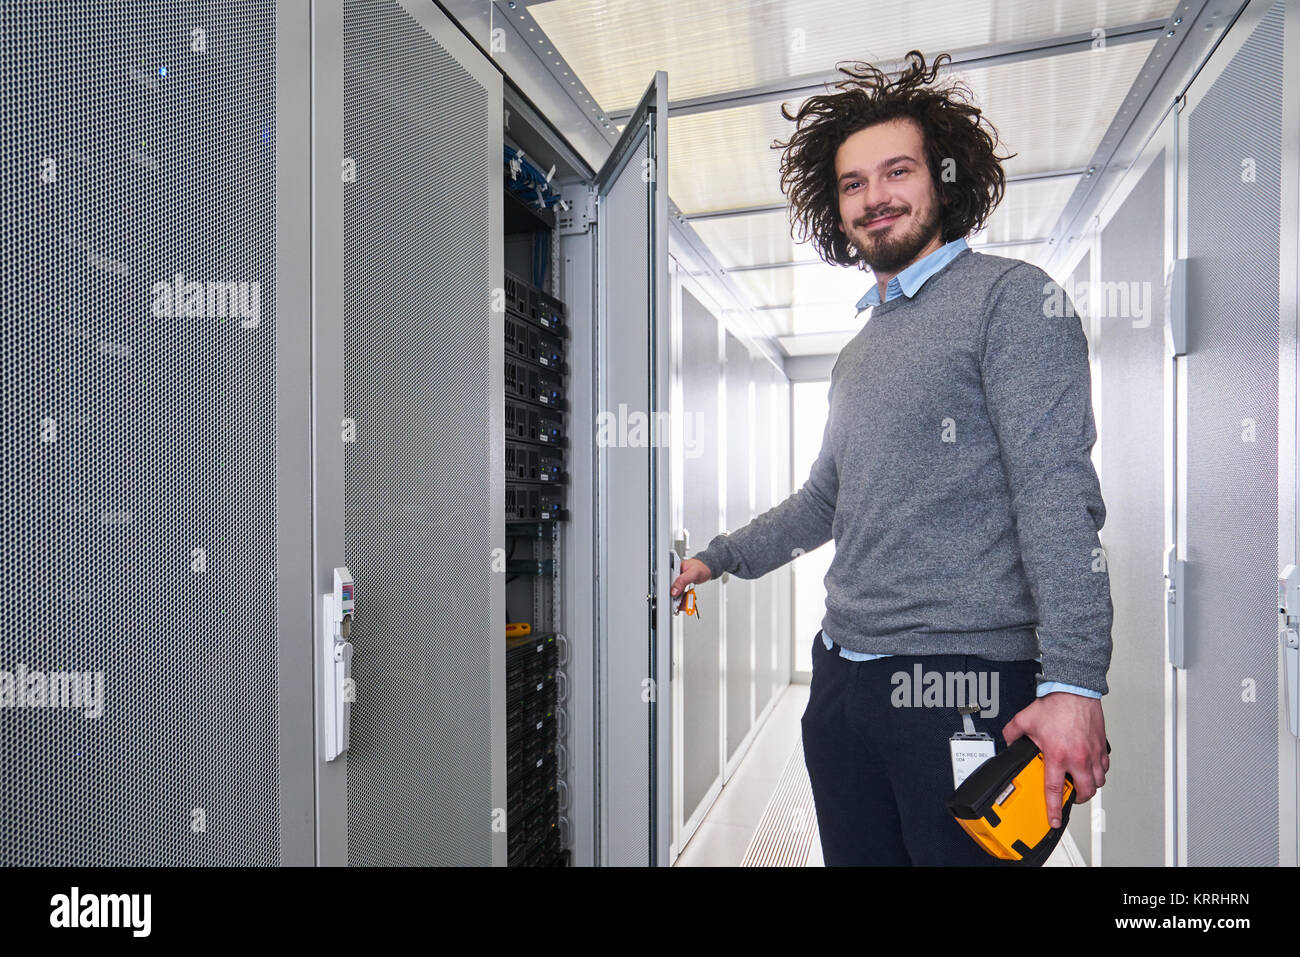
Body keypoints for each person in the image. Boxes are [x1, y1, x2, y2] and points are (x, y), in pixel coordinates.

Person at [669, 51, 1112, 866]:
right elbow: (821, 504)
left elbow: (1056, 495)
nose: (875, 198)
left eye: (896, 171)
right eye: (852, 184)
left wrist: (1076, 682)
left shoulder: (1010, 301)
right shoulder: (858, 351)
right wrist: (715, 558)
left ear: (944, 179)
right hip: (842, 680)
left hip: (961, 686)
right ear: (834, 208)